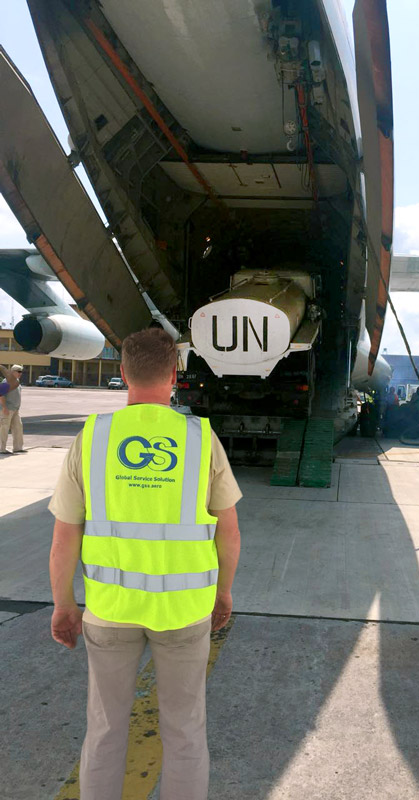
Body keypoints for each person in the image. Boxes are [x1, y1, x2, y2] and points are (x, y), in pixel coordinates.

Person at [48, 328, 242, 800]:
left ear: (123, 373)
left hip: (110, 611)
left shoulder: (91, 438)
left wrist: (63, 605)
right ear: (174, 375)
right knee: (184, 732)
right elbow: (229, 532)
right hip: (183, 613)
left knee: (106, 730)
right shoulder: (201, 439)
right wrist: (223, 593)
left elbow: (64, 537)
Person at [0, 363, 24, 454]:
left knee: (18, 427)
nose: (20, 373)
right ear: (12, 372)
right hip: (7, 409)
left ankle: (18, 448)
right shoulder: (6, 382)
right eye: (18, 371)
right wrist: (4, 408)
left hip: (15, 410)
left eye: (21, 372)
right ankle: (1, 448)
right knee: (4, 428)